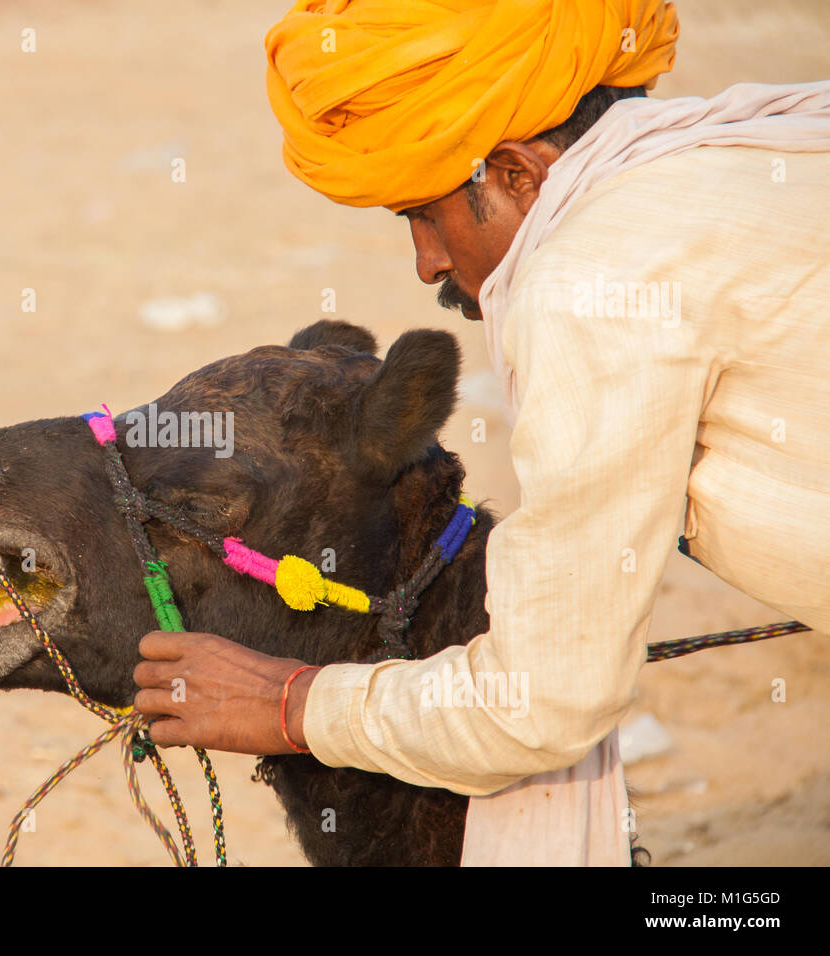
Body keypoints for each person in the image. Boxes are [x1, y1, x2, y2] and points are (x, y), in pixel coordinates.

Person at [131, 0, 830, 865]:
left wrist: (288, 703)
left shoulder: (588, 279)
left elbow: (540, 706)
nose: (426, 261)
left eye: (425, 216)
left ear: (515, 174)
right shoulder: (764, 140)